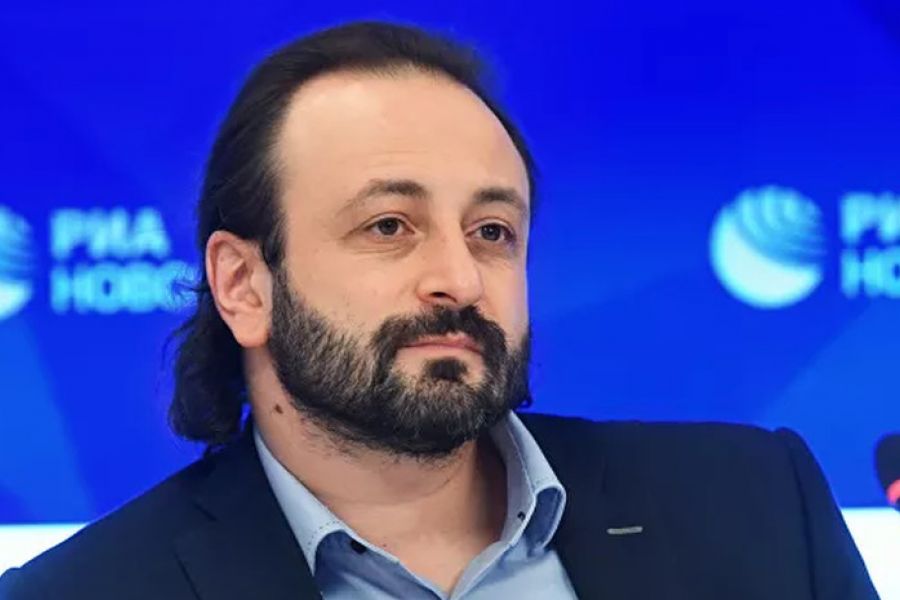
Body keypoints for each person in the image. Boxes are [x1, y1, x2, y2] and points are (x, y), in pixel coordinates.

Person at [0, 21, 878, 600]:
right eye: (390, 226)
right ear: (243, 285)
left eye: (493, 231)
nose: (459, 278)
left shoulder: (757, 507)